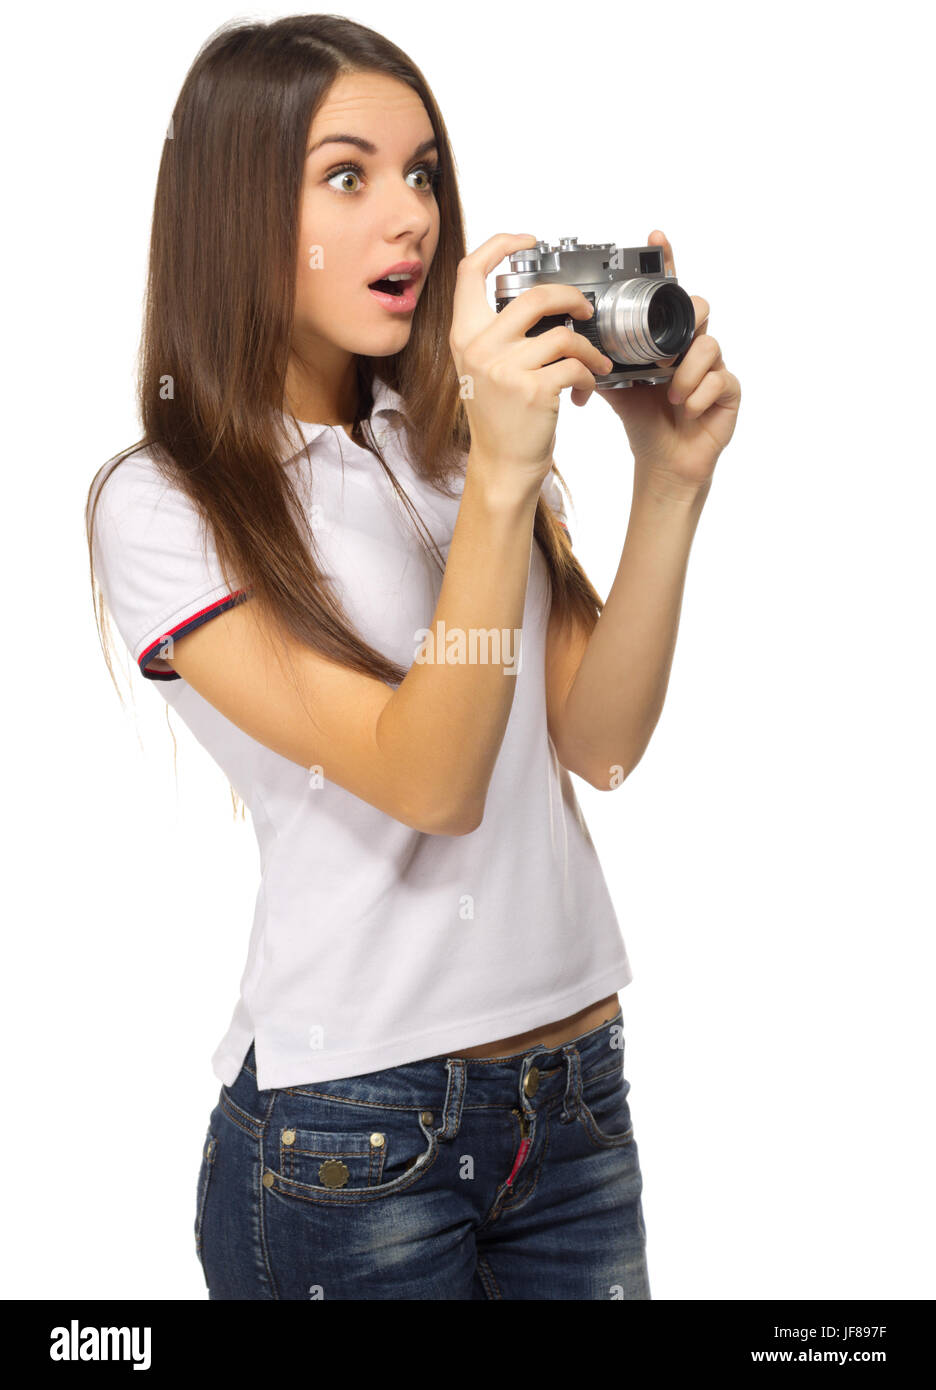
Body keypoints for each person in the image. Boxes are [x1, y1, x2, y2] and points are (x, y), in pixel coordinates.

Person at [86, 15, 740, 1301]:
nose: (413, 218)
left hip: (577, 1098)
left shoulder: (447, 445)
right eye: (349, 174)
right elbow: (429, 776)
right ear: (235, 211)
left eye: (425, 172)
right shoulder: (166, 504)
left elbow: (596, 742)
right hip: (354, 1134)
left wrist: (667, 479)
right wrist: (503, 471)